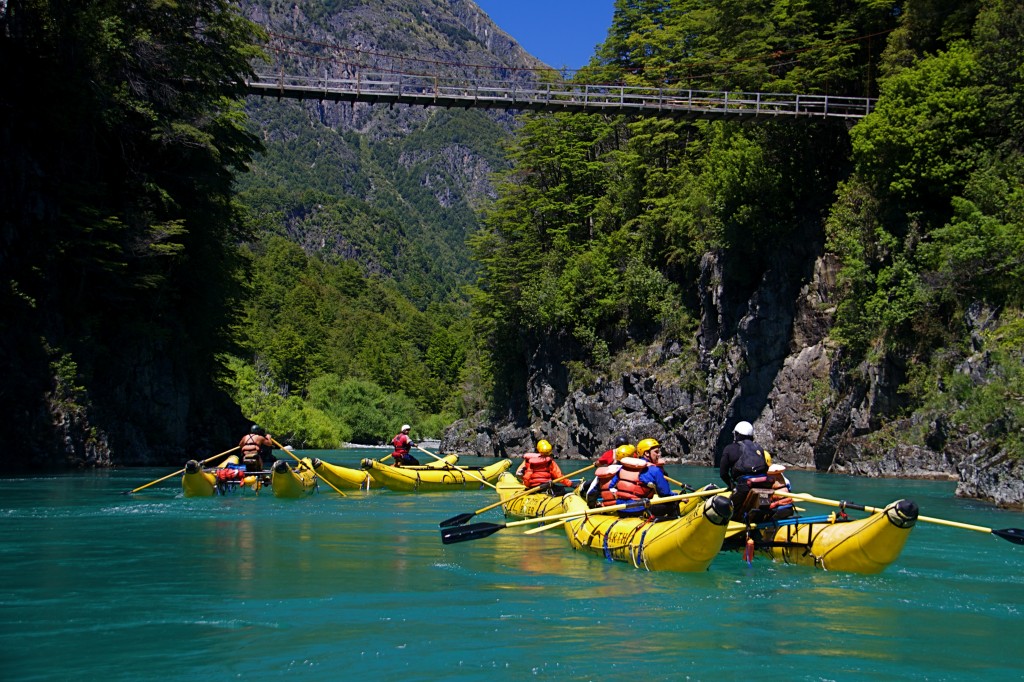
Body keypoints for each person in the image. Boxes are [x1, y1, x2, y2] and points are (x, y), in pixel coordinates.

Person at [719, 421, 772, 521]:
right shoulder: (759, 449)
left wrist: (731, 485)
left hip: (744, 488)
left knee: (727, 511)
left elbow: (723, 473)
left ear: (737, 434)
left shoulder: (730, 448)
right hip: (764, 487)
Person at [585, 443, 634, 507]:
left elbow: (591, 493)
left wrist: (591, 506)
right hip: (632, 508)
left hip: (610, 508)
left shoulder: (606, 472)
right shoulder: (637, 472)